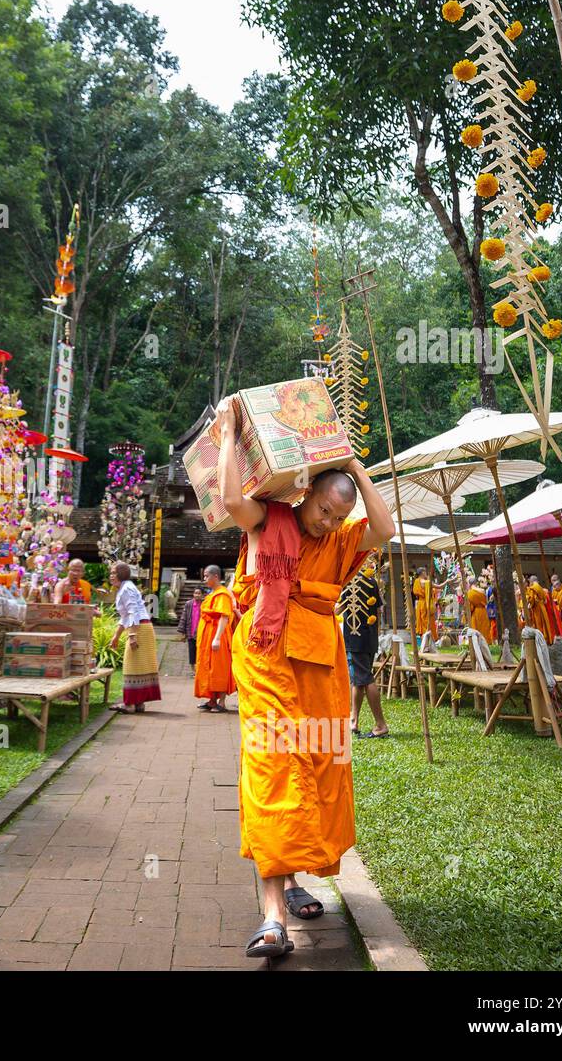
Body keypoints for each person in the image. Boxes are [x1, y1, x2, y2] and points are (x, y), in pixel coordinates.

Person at [217, 395, 395, 960]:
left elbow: (384, 529)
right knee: (273, 769)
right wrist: (227, 434)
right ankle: (272, 916)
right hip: (269, 658)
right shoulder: (270, 520)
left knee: (316, 769)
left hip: (320, 666)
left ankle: (294, 883)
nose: (328, 523)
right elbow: (227, 500)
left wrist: (357, 471)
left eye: (338, 517)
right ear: (306, 493)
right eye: (323, 510)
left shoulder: (340, 540)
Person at [339, 562, 388, 738]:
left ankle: (381, 724)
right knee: (359, 679)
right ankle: (354, 720)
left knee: (365, 678)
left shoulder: (348, 580)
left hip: (355, 638)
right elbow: (379, 609)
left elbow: (339, 607)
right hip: (370, 636)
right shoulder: (371, 580)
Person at [109, 562, 161, 714]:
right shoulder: (125, 588)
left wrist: (132, 636)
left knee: (131, 665)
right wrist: (116, 636)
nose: (111, 576)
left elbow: (133, 612)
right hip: (140, 627)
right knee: (139, 665)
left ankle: (130, 704)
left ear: (121, 574)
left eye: (113, 573)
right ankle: (138, 703)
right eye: (111, 573)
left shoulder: (126, 588)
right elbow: (125, 616)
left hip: (140, 629)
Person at [194, 565, 237, 713]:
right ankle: (212, 700)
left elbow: (224, 616)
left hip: (218, 635)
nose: (204, 579)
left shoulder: (223, 594)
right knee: (208, 667)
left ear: (216, 577)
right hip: (208, 636)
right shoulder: (213, 594)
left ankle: (222, 702)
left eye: (206, 576)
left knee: (220, 668)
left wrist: (217, 638)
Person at [177, 585, 205, 670]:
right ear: (193, 594)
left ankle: (200, 669)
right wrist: (182, 632)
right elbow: (183, 617)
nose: (197, 595)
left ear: (202, 595)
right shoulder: (188, 604)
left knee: (200, 652)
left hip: (201, 633)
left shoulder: (205, 604)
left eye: (199, 593)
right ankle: (193, 669)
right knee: (192, 652)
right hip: (190, 632)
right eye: (195, 593)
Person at [523, 574, 555, 643]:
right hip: (542, 608)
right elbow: (545, 600)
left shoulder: (532, 588)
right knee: (544, 624)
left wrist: (528, 602)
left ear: (531, 581)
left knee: (539, 624)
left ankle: (539, 640)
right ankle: (546, 639)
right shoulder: (541, 588)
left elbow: (531, 599)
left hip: (537, 609)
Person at [412, 566, 437, 641]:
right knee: (426, 623)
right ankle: (427, 641)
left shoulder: (417, 581)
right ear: (422, 573)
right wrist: (447, 582)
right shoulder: (426, 582)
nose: (426, 573)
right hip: (425, 604)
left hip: (420, 603)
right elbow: (438, 586)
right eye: (425, 572)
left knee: (423, 622)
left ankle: (425, 641)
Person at [466, 574, 492, 641]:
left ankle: (476, 642)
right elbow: (486, 601)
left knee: (476, 628)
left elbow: (470, 607)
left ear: (469, 584)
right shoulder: (482, 590)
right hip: (483, 611)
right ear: (476, 583)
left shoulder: (470, 592)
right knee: (484, 628)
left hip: (475, 612)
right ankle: (486, 641)